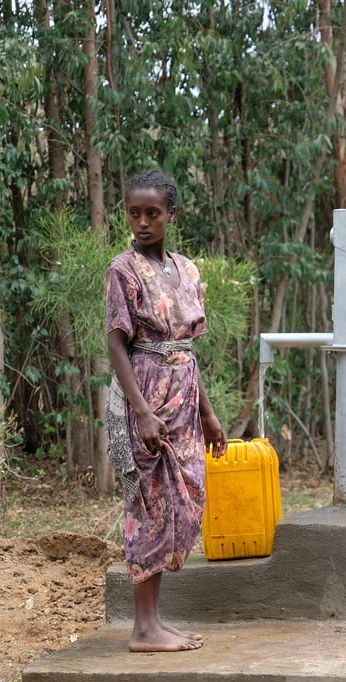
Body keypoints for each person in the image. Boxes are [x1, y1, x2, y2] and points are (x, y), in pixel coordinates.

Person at [104, 168, 228, 652]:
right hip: (147, 400)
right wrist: (141, 412)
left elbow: (188, 352)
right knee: (149, 506)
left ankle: (154, 621)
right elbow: (116, 344)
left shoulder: (189, 270)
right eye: (134, 213)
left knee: (185, 501)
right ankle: (143, 628)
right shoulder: (122, 270)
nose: (142, 222)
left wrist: (208, 414)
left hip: (185, 400)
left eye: (152, 213)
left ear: (170, 215)